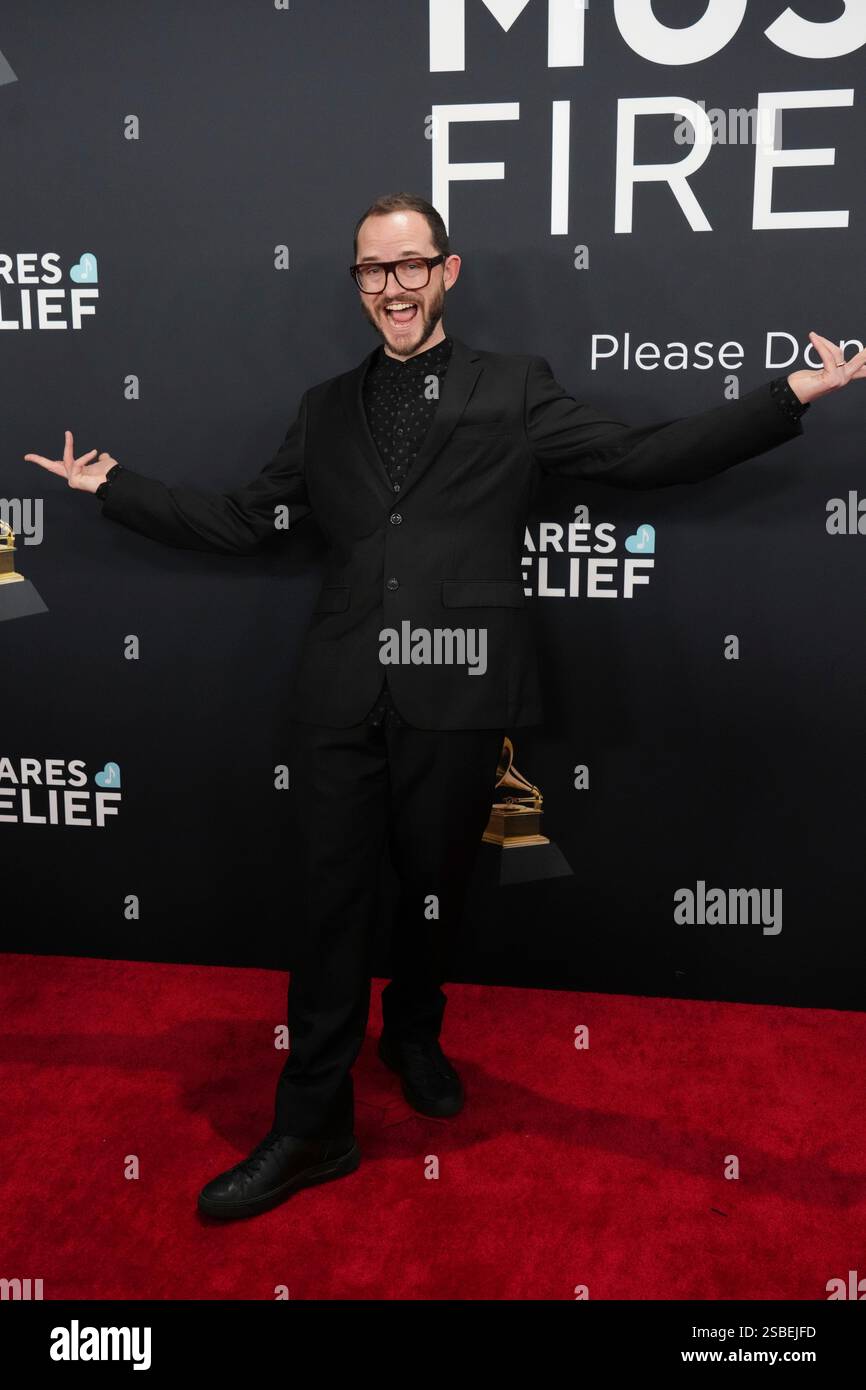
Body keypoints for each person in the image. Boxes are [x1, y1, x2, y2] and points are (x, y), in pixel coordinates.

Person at [24, 192, 866, 1222]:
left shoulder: (512, 388)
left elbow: (642, 456)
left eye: (411, 265)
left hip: (459, 686)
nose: (393, 287)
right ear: (357, 284)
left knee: (434, 888)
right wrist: (116, 485)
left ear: (447, 271)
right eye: (373, 271)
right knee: (331, 907)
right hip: (337, 692)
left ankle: (413, 1033)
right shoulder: (323, 406)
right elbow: (248, 518)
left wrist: (784, 396)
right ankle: (310, 1126)